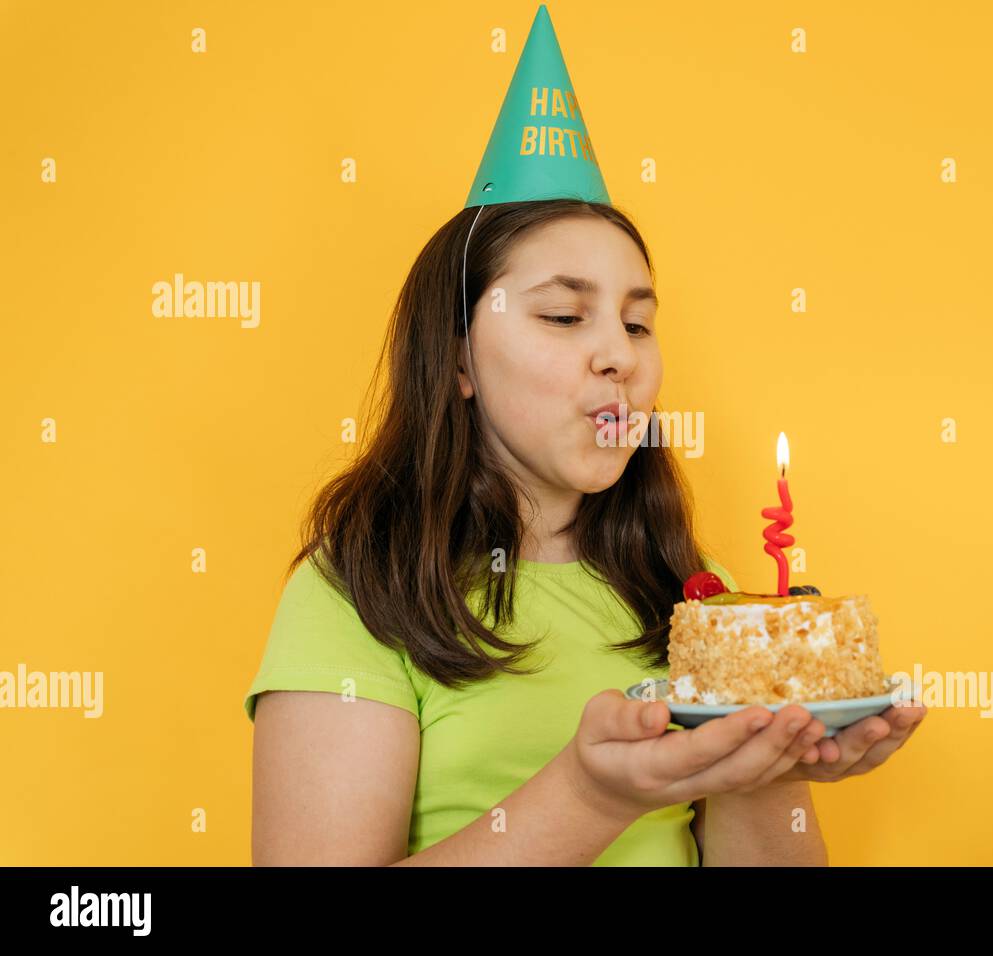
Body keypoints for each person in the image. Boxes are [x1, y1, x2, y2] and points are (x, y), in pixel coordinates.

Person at [243, 5, 925, 867]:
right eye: (565, 315)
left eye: (638, 326)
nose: (618, 357)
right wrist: (591, 794)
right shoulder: (359, 592)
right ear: (458, 358)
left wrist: (764, 758)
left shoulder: (688, 601)